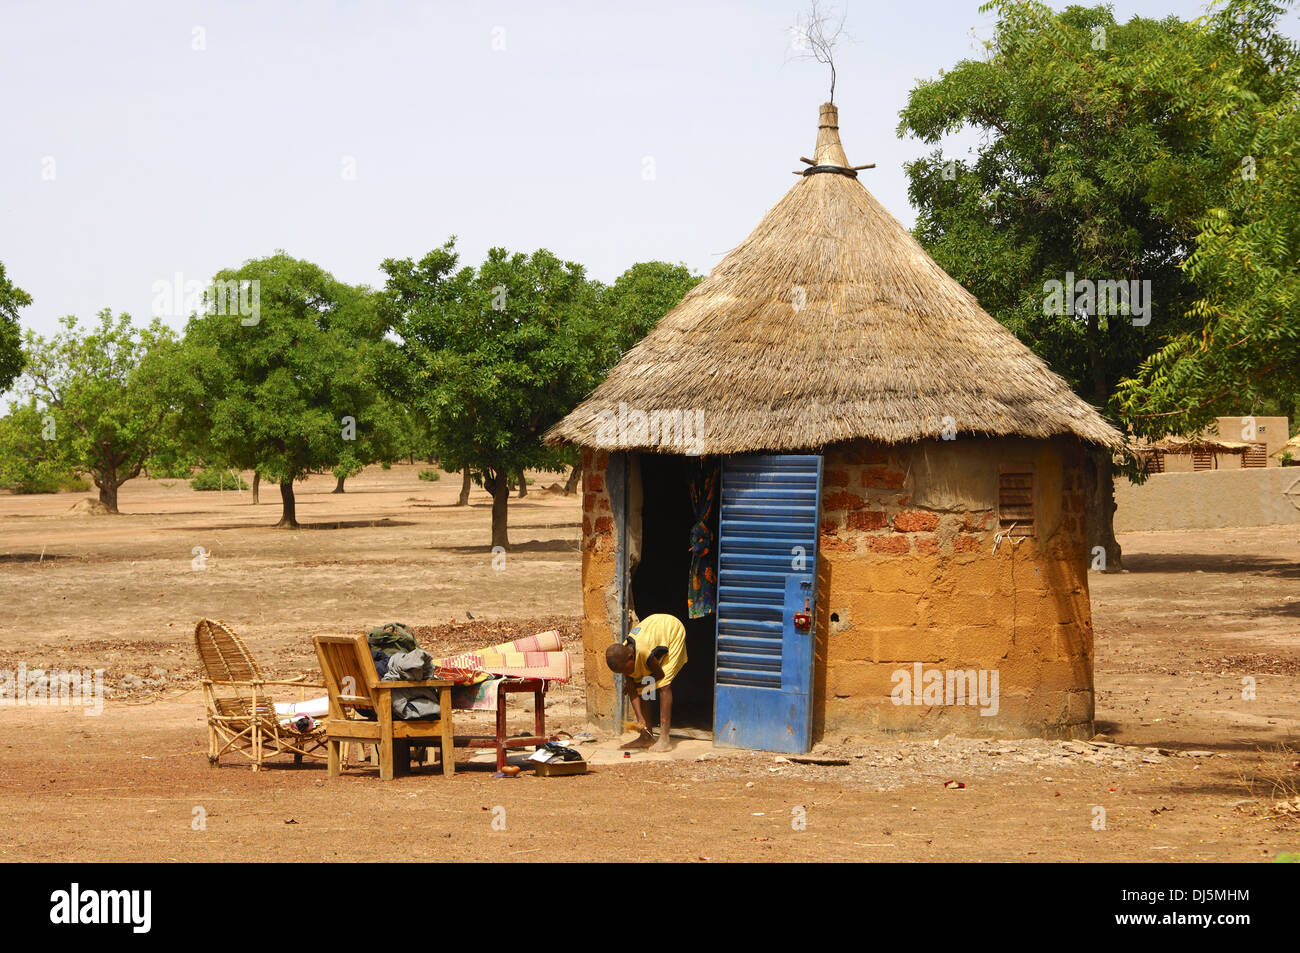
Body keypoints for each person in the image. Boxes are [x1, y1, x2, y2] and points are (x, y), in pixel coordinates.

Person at [605, 614, 687, 752]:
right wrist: (640, 718)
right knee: (644, 683)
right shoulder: (624, 658)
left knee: (663, 685)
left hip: (671, 629)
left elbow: (659, 674)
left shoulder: (642, 652)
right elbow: (633, 690)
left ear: (631, 657)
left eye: (626, 670)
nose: (626, 674)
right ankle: (646, 737)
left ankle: (664, 739)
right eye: (622, 673)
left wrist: (637, 685)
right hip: (653, 628)